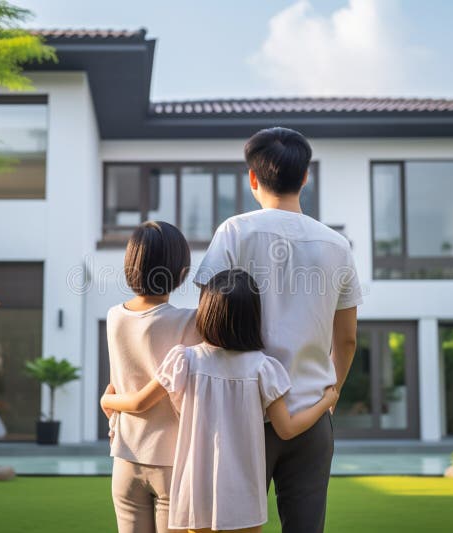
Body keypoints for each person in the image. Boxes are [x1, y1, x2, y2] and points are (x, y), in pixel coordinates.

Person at [192, 127, 363, 533]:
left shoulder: (234, 231)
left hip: (240, 414)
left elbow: (207, 322)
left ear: (253, 178)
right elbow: (348, 338)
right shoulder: (337, 246)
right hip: (311, 414)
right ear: (305, 177)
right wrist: (332, 392)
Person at [101, 269, 339, 533]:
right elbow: (287, 428)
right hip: (243, 495)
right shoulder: (263, 369)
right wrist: (325, 401)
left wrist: (109, 400)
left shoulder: (185, 360)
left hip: (194, 490)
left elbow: (138, 403)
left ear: (205, 312)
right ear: (253, 317)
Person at [105, 221, 201, 533]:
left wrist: (108, 400)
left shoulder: (113, 317)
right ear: (181, 270)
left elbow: (113, 389)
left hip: (125, 458)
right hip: (173, 462)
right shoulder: (191, 322)